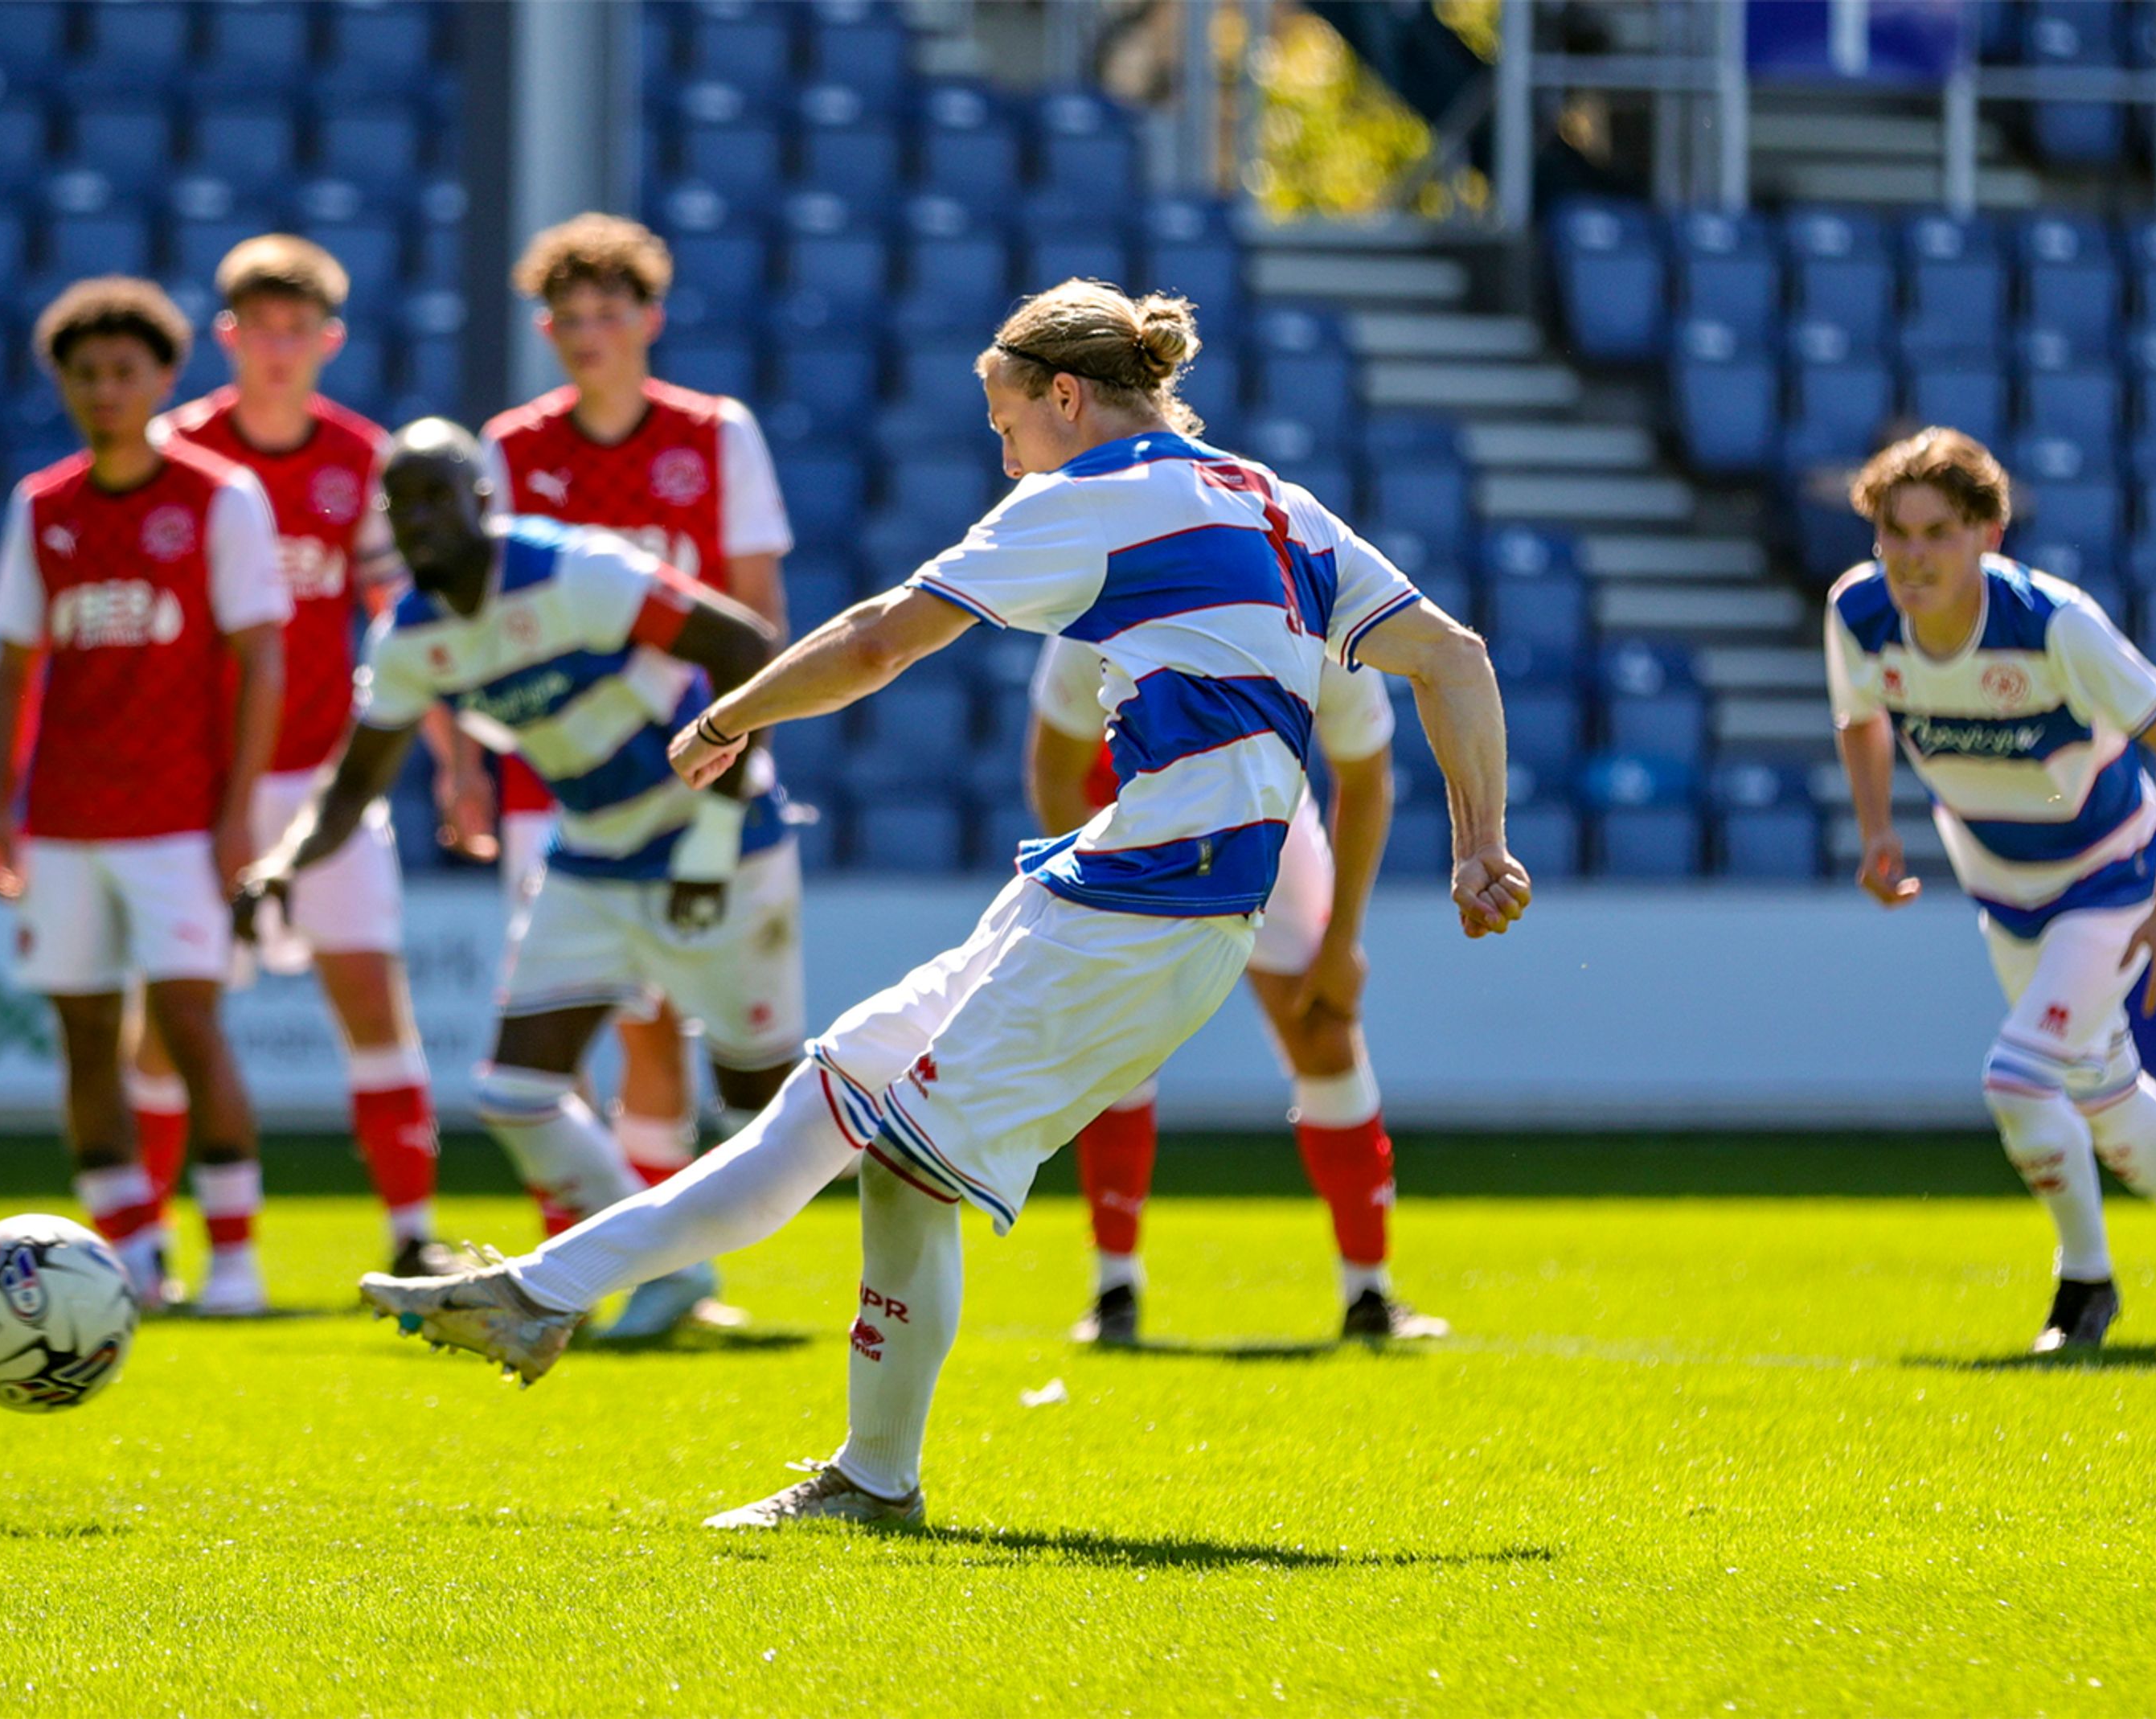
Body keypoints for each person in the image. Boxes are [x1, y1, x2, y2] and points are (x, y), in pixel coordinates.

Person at [360, 281, 1530, 1532]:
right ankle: (541, 1293)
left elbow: (876, 641)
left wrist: (721, 716)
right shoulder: (1268, 495)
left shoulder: (1085, 497)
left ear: (1065, 397)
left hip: (1159, 905)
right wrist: (1482, 847)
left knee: (906, 1167)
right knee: (829, 1097)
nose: (1002, 445)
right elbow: (1454, 655)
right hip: (1109, 881)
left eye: (1004, 416)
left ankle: (873, 1484)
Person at [243, 418, 797, 1340]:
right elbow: (352, 785)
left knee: (768, 1111)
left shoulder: (574, 570)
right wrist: (278, 863)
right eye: (399, 503)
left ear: (483, 501)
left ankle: (910, 1215)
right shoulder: (409, 637)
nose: (416, 519)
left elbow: (743, 648)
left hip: (717, 841)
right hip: (591, 856)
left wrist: (708, 841)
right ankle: (670, 1267)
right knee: (513, 1092)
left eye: (436, 495)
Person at [1824, 427, 2156, 1353]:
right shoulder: (1858, 613)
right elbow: (1859, 715)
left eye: (1936, 532)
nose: (1911, 555)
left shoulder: (2052, 624)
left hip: (2106, 875)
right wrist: (1876, 829)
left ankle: (2083, 1287)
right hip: (2001, 884)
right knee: (2102, 1092)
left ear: (1987, 534)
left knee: (2017, 1078)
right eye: (1893, 532)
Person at [121, 233, 459, 1282]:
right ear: (227, 337)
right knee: (169, 1017)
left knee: (371, 995)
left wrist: (453, 756)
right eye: (258, 328)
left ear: (330, 340)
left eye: (296, 329)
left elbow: (399, 618)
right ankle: (146, 1244)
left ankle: (411, 1233)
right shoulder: (176, 452)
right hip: (192, 779)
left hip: (324, 777)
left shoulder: (363, 459)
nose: (277, 348)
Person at [457, 211, 797, 1216]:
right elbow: (476, 621)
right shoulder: (512, 449)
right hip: (552, 778)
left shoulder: (715, 433)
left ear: (649, 318)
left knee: (658, 1020)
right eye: (568, 315)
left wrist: (744, 747)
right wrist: (463, 761)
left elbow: (761, 616)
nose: (587, 331)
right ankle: (578, 1250)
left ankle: (656, 1254)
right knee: (556, 1027)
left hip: (688, 766)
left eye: (608, 310)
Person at [0, 277, 291, 1313]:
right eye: (86, 373)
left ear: (163, 377)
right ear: (62, 383)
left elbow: (262, 660)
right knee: (82, 1032)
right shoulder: (45, 506)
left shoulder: (218, 497)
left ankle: (236, 1258)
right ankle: (139, 1258)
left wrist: (239, 806)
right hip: (65, 819)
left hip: (177, 818)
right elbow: (13, 669)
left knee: (192, 1025)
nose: (105, 389)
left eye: (125, 370)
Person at [1027, 637, 1445, 1346]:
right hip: (1134, 824)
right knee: (1122, 1043)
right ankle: (1115, 1288)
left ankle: (1369, 1294)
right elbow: (1055, 771)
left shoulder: (1320, 609)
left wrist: (1343, 941)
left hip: (1263, 819)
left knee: (1322, 1027)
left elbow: (1366, 778)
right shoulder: (1100, 601)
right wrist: (1105, 896)